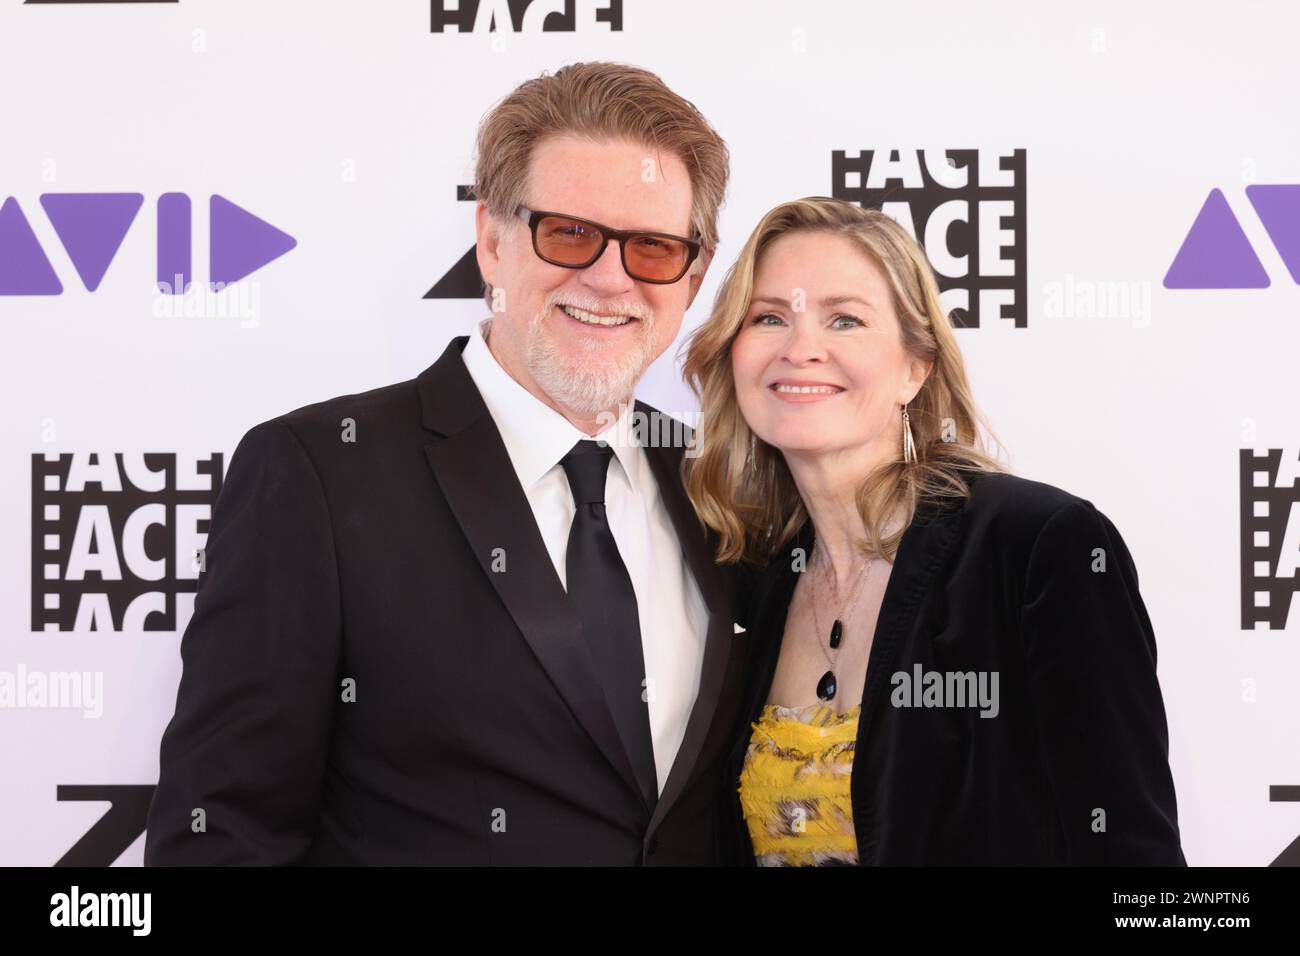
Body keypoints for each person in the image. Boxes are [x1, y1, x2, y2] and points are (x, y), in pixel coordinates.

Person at [145, 61, 750, 865]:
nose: (609, 279)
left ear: (694, 275)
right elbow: (220, 834)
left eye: (652, 247)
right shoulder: (317, 475)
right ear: (491, 241)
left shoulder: (719, 486)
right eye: (569, 232)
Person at [682, 197, 1186, 865]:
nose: (802, 348)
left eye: (845, 319)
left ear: (916, 367)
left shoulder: (1039, 549)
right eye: (769, 316)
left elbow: (1131, 857)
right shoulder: (755, 585)